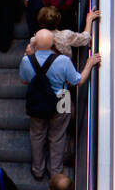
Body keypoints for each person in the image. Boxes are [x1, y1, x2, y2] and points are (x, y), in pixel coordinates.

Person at [19, 27, 100, 179]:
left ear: (35, 43)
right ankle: (55, 172)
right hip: (62, 100)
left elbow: (24, 80)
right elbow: (78, 81)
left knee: (37, 135)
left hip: (37, 101)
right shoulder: (63, 61)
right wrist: (89, 63)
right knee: (57, 136)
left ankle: (38, 170)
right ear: (53, 43)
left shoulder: (26, 60)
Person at [29, 4, 99, 58]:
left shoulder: (35, 40)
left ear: (39, 22)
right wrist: (89, 19)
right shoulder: (66, 35)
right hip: (64, 72)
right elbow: (85, 39)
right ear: (59, 20)